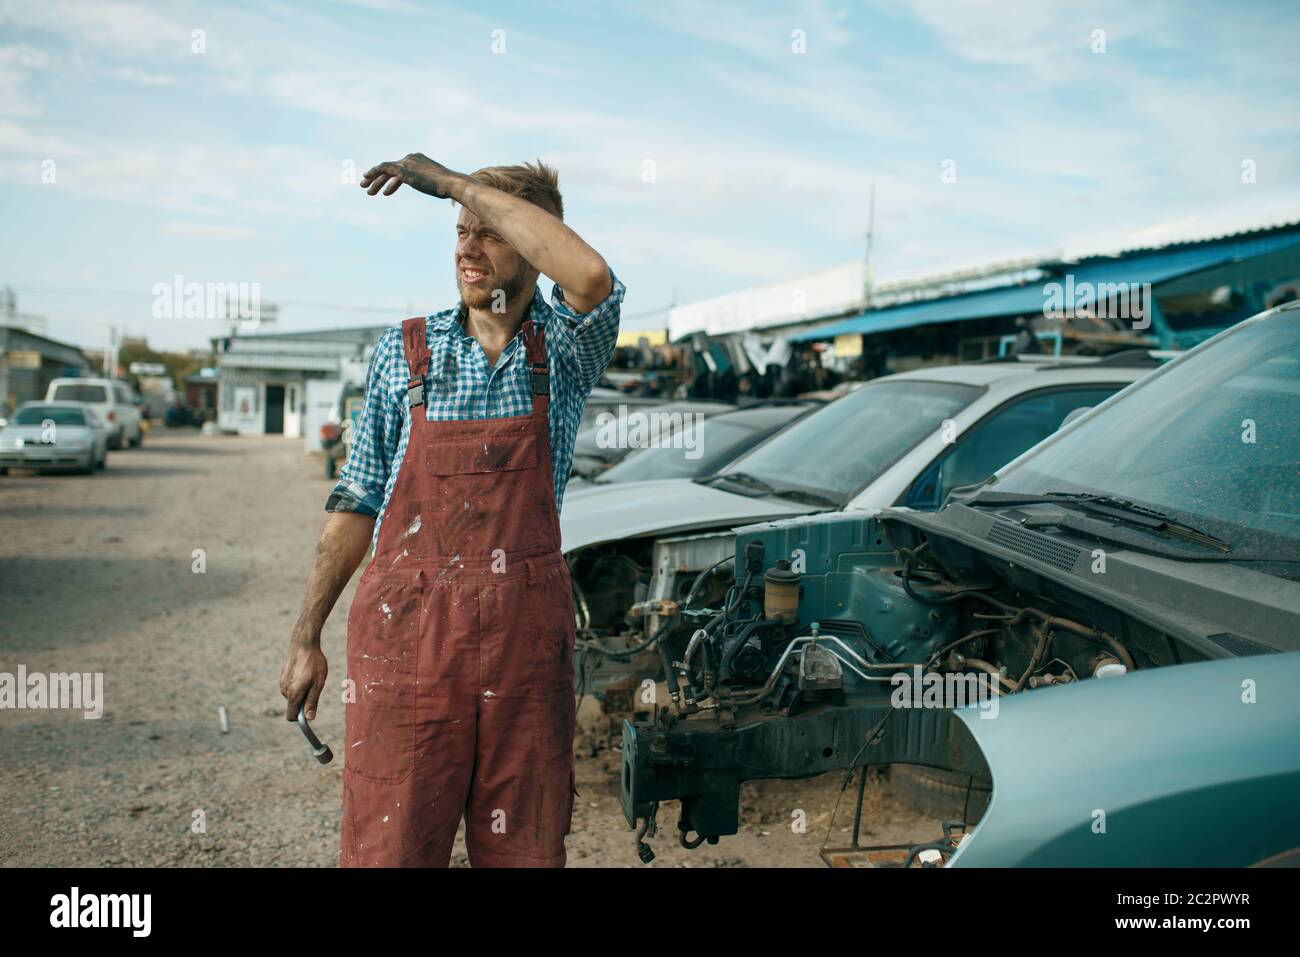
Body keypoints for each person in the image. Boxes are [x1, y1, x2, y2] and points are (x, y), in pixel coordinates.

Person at [278, 154, 623, 867]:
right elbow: (358, 498)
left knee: (524, 846)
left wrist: (457, 185)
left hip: (525, 646)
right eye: (460, 229)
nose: (467, 246)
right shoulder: (406, 352)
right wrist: (306, 634)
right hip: (409, 642)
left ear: (532, 243)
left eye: (490, 231)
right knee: (393, 844)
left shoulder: (561, 347)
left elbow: (589, 277)